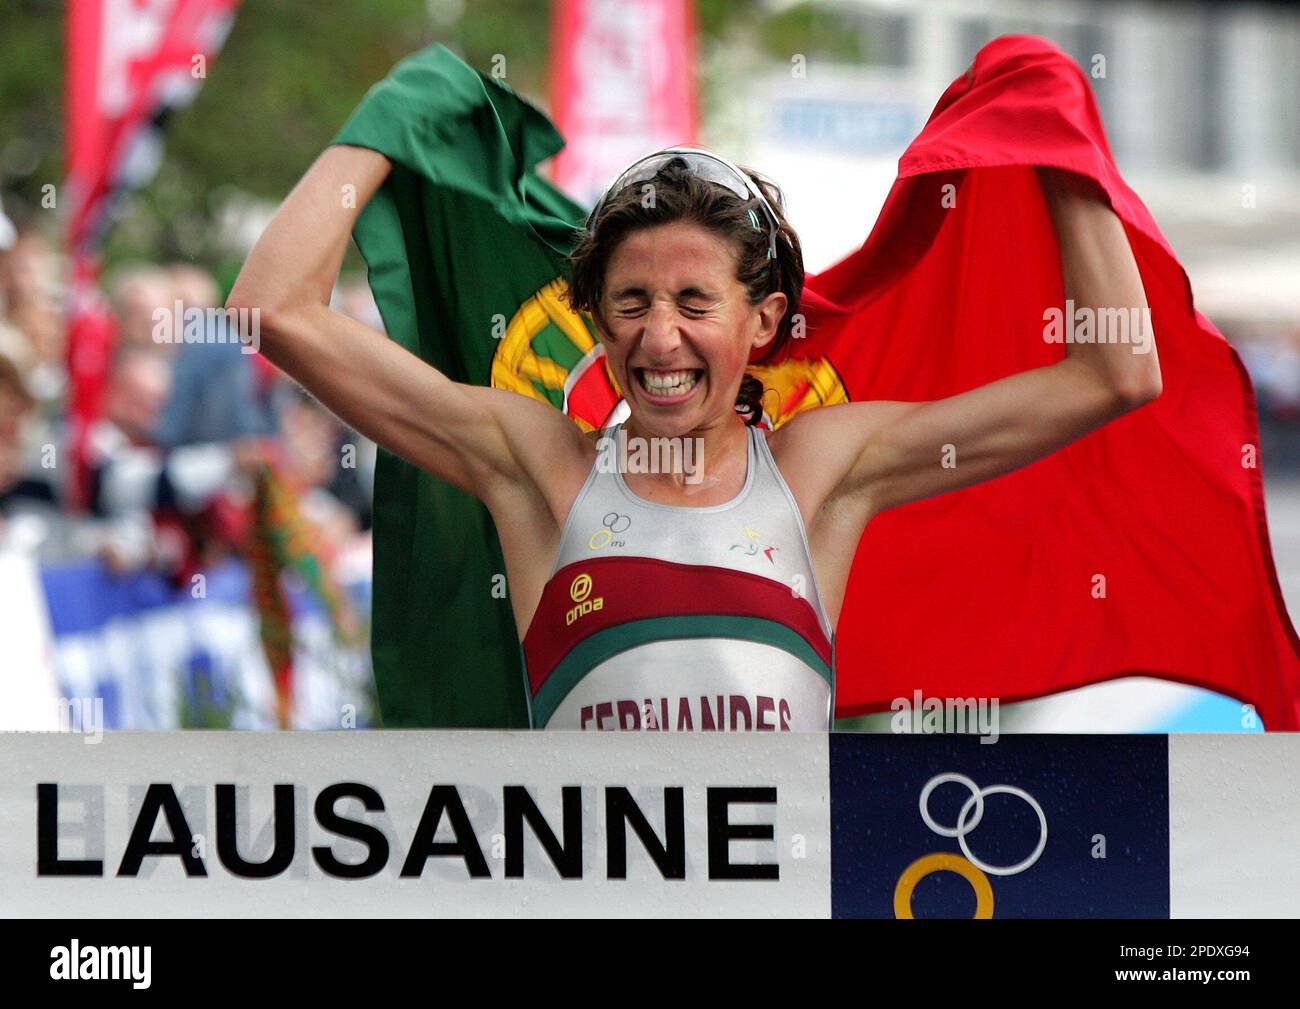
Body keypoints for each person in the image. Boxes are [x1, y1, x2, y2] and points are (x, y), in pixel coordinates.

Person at [227, 144, 1161, 731]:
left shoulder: (822, 469)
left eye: (694, 302)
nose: (660, 337)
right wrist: (386, 131)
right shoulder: (538, 464)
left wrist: (1058, 148)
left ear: (763, 324)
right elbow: (270, 307)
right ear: (596, 321)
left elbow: (1115, 373)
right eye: (630, 303)